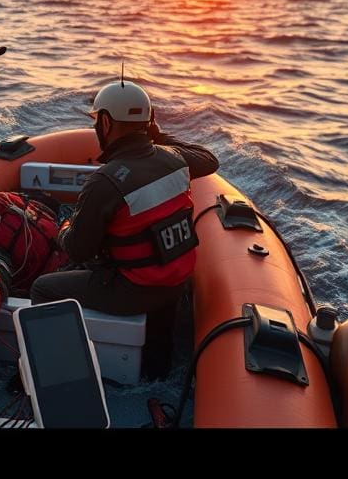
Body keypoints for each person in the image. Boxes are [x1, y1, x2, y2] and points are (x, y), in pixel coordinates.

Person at [29, 80, 219, 378]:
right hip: (175, 284)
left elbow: (79, 249)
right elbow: (209, 159)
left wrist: (63, 228)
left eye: (97, 121)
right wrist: (156, 135)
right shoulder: (176, 159)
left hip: (134, 291)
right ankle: (157, 369)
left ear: (105, 122)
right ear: (149, 121)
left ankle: (59, 374)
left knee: (43, 288)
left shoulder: (105, 182)